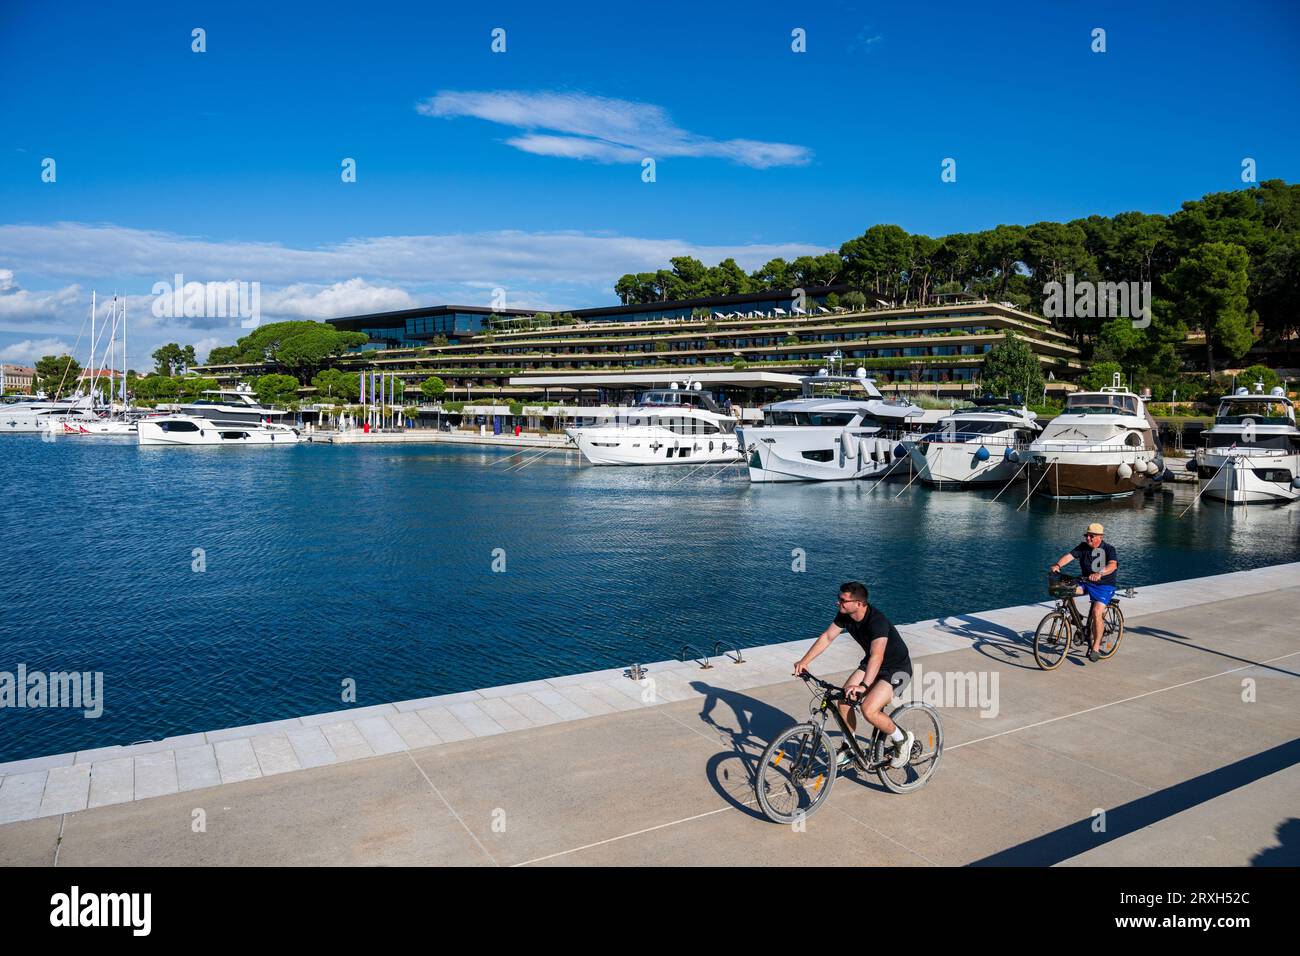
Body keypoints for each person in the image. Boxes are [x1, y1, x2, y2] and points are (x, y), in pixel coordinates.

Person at [794, 582, 914, 769]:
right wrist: (804, 661)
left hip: (896, 668)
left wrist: (864, 686)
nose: (837, 603)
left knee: (869, 710)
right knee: (844, 700)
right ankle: (849, 748)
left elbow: (877, 655)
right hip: (871, 665)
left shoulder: (877, 622)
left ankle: (902, 739)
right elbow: (827, 637)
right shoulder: (846, 615)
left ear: (859, 604)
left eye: (843, 600)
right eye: (838, 598)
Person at [1050, 522, 1119, 663]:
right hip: (1086, 582)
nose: (1088, 538)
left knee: (1096, 612)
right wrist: (1058, 565)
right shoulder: (1083, 547)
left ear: (1100, 537)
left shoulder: (1109, 549)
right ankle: (1077, 617)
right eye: (1086, 535)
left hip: (1104, 585)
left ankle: (1095, 647)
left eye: (1091, 536)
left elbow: (1112, 565)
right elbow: (1069, 556)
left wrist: (1100, 573)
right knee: (1066, 590)